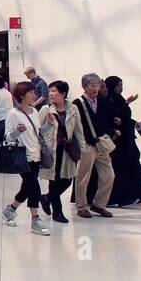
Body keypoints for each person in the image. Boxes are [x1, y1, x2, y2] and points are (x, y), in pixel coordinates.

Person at [1, 81, 50, 235]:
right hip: (23, 157)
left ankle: (10, 209)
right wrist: (17, 131)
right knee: (34, 187)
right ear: (22, 95)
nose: (34, 95)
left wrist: (49, 124)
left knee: (27, 187)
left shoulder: (34, 112)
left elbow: (39, 132)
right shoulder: (13, 114)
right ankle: (35, 220)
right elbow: (7, 136)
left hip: (37, 155)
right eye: (31, 93)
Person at [102, 76, 141, 206]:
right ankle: (131, 196)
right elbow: (114, 116)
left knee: (135, 168)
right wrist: (127, 103)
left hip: (127, 139)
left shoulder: (118, 99)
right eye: (118, 85)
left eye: (121, 84)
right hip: (118, 141)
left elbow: (124, 117)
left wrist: (135, 123)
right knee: (129, 169)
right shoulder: (109, 100)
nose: (120, 88)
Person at [37, 80, 84, 223]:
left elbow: (78, 129)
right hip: (52, 151)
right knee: (54, 180)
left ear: (63, 94)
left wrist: (82, 147)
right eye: (50, 91)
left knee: (68, 180)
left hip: (68, 150)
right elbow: (37, 130)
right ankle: (57, 212)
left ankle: (46, 198)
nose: (51, 94)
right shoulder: (46, 110)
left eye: (54, 91)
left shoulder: (73, 109)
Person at [72, 73, 116, 218]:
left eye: (97, 85)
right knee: (83, 177)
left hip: (101, 144)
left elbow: (106, 119)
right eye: (92, 85)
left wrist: (113, 124)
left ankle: (99, 205)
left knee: (109, 175)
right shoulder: (77, 103)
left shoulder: (102, 101)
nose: (96, 88)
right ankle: (81, 206)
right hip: (87, 145)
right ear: (84, 86)